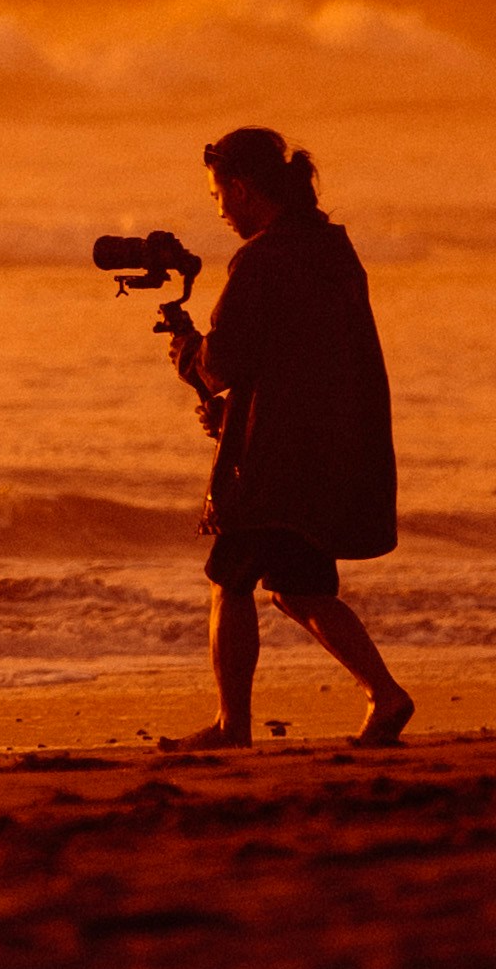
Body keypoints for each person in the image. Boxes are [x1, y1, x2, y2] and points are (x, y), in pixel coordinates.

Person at [165, 125, 413, 750]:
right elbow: (301, 358)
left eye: (219, 197)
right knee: (299, 587)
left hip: (281, 457)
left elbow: (225, 363)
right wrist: (240, 415)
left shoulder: (263, 258)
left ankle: (231, 725)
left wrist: (190, 354)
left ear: (243, 190)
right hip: (333, 441)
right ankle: (386, 695)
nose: (220, 211)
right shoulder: (331, 249)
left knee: (230, 577)